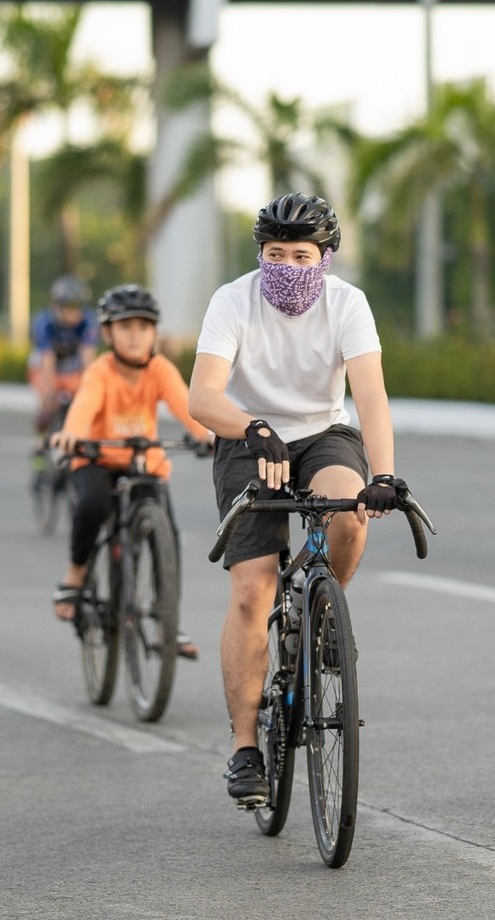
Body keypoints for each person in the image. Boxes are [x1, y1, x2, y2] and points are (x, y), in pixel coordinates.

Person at [186, 192, 404, 807]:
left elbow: (371, 397)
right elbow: (202, 397)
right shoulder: (232, 300)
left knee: (350, 514)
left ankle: (323, 611)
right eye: (275, 254)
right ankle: (245, 748)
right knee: (253, 589)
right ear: (260, 254)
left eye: (301, 255)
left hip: (322, 434)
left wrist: (385, 475)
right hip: (248, 438)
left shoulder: (347, 303)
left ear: (324, 258)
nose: (287, 266)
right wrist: (252, 427)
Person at [49, 283, 210, 658]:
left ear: (155, 332)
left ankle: (167, 619)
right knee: (92, 505)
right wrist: (72, 434)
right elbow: (83, 407)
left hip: (143, 463)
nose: (136, 335)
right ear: (108, 333)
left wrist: (208, 436)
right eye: (125, 326)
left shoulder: (160, 369)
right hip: (97, 459)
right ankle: (76, 574)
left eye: (144, 326)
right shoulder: (100, 372)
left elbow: (187, 407)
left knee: (166, 531)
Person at [29, 275, 99, 430]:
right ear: (57, 305)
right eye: (70, 306)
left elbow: (88, 358)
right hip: (45, 365)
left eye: (79, 306)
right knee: (47, 408)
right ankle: (44, 428)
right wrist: (48, 396)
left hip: (73, 363)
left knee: (82, 401)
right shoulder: (43, 323)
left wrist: (90, 393)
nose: (75, 312)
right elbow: (47, 359)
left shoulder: (88, 321)